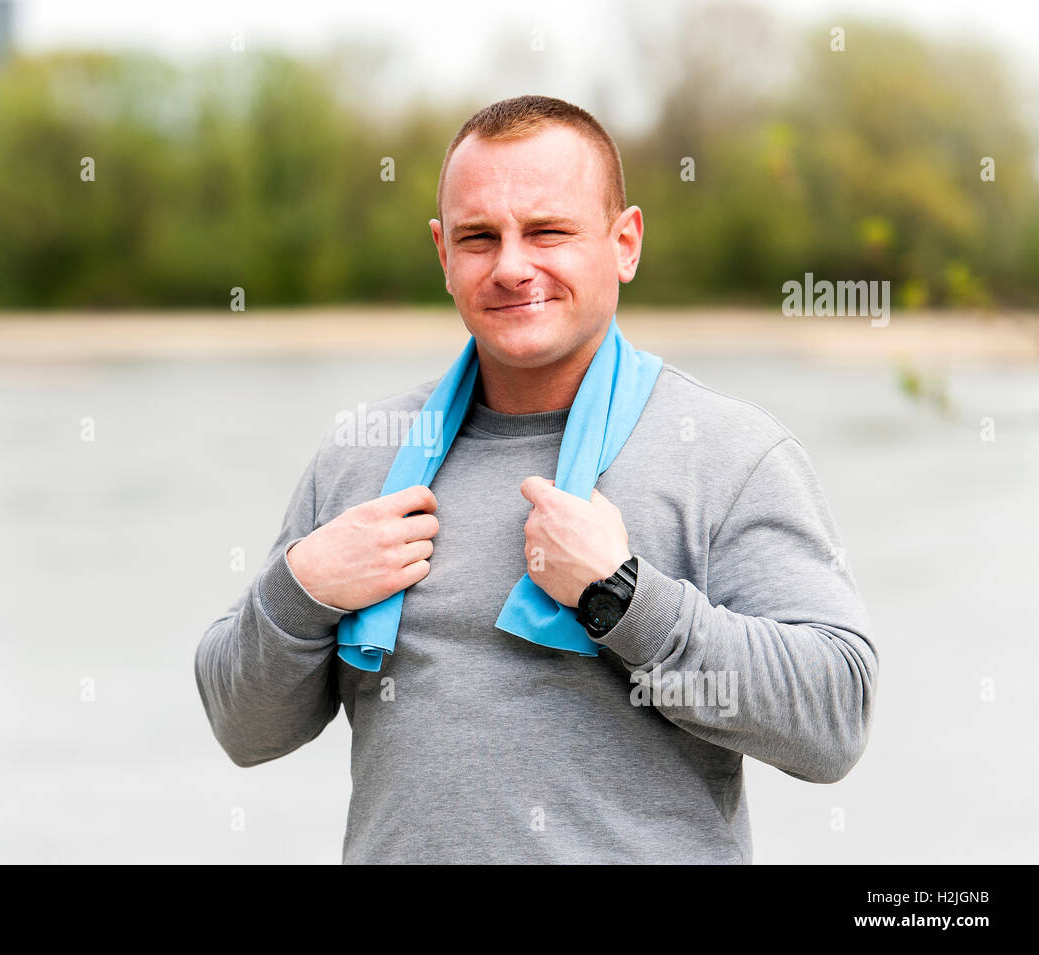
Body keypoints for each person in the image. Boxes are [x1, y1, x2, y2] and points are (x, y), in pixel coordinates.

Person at [194, 94, 879, 864]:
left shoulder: (730, 454)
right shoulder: (362, 456)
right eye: (479, 237)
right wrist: (303, 586)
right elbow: (243, 728)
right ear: (442, 254)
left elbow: (834, 718)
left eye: (548, 231)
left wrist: (623, 597)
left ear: (625, 243)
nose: (513, 266)